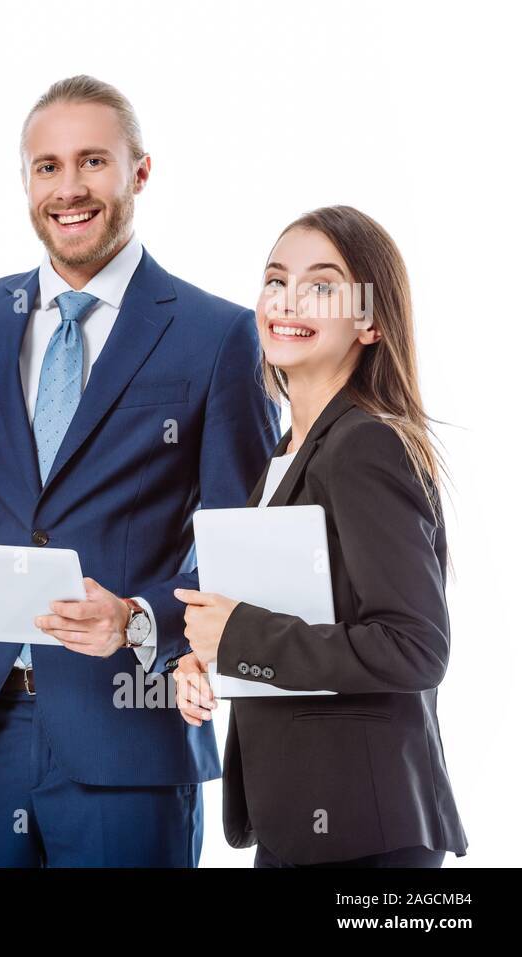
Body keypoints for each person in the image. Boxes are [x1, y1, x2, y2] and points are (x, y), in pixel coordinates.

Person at [0, 76, 279, 867]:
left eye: (92, 162)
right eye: (46, 166)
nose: (69, 188)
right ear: (25, 182)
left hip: (129, 729)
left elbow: (236, 548)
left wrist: (140, 620)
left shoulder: (220, 336)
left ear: (139, 172)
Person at [173, 205, 468, 867]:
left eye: (322, 285)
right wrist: (212, 658)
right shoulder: (289, 452)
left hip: (364, 831)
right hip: (302, 820)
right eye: (276, 280)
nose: (289, 299)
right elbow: (301, 618)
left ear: (371, 322)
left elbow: (415, 645)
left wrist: (240, 636)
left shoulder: (365, 445)